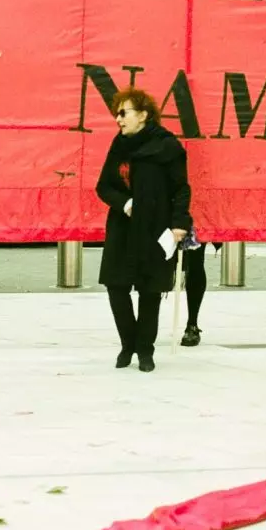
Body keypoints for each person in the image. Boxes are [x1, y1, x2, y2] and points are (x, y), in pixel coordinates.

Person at [96, 87, 192, 372]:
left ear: (143, 115)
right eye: (117, 114)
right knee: (116, 286)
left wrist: (178, 226)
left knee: (150, 291)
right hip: (123, 228)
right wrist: (125, 203)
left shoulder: (168, 146)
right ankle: (129, 344)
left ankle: (145, 351)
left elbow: (181, 189)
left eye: (124, 113)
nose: (119, 119)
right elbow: (104, 185)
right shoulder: (119, 145)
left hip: (155, 229)